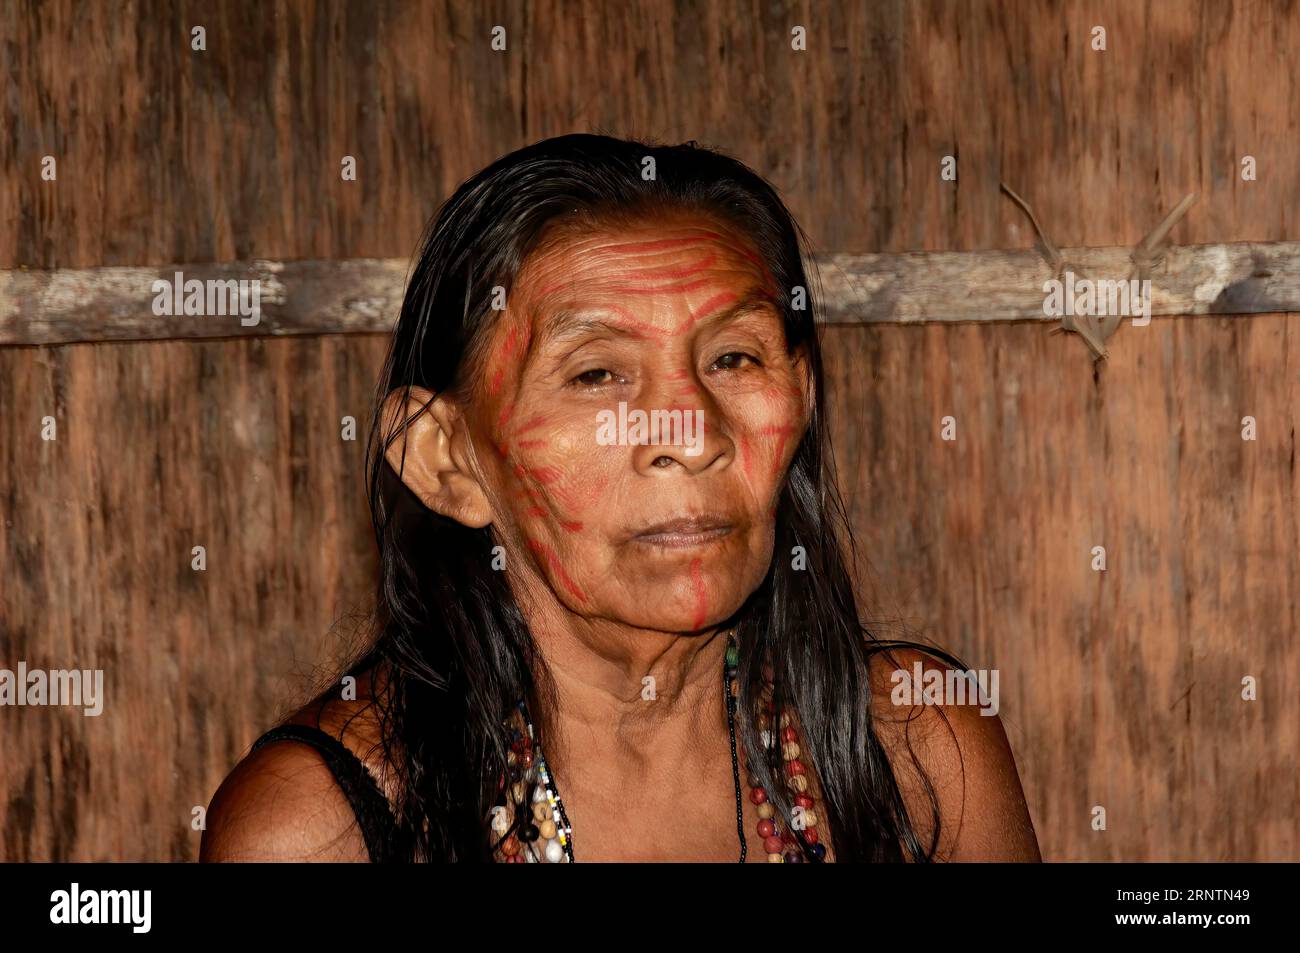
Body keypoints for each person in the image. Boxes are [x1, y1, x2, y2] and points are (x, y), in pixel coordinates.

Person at [200, 133, 1040, 863]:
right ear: (446, 458)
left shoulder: (918, 748)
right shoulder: (321, 828)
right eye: (597, 373)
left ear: (804, 399)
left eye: (735, 359)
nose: (693, 431)